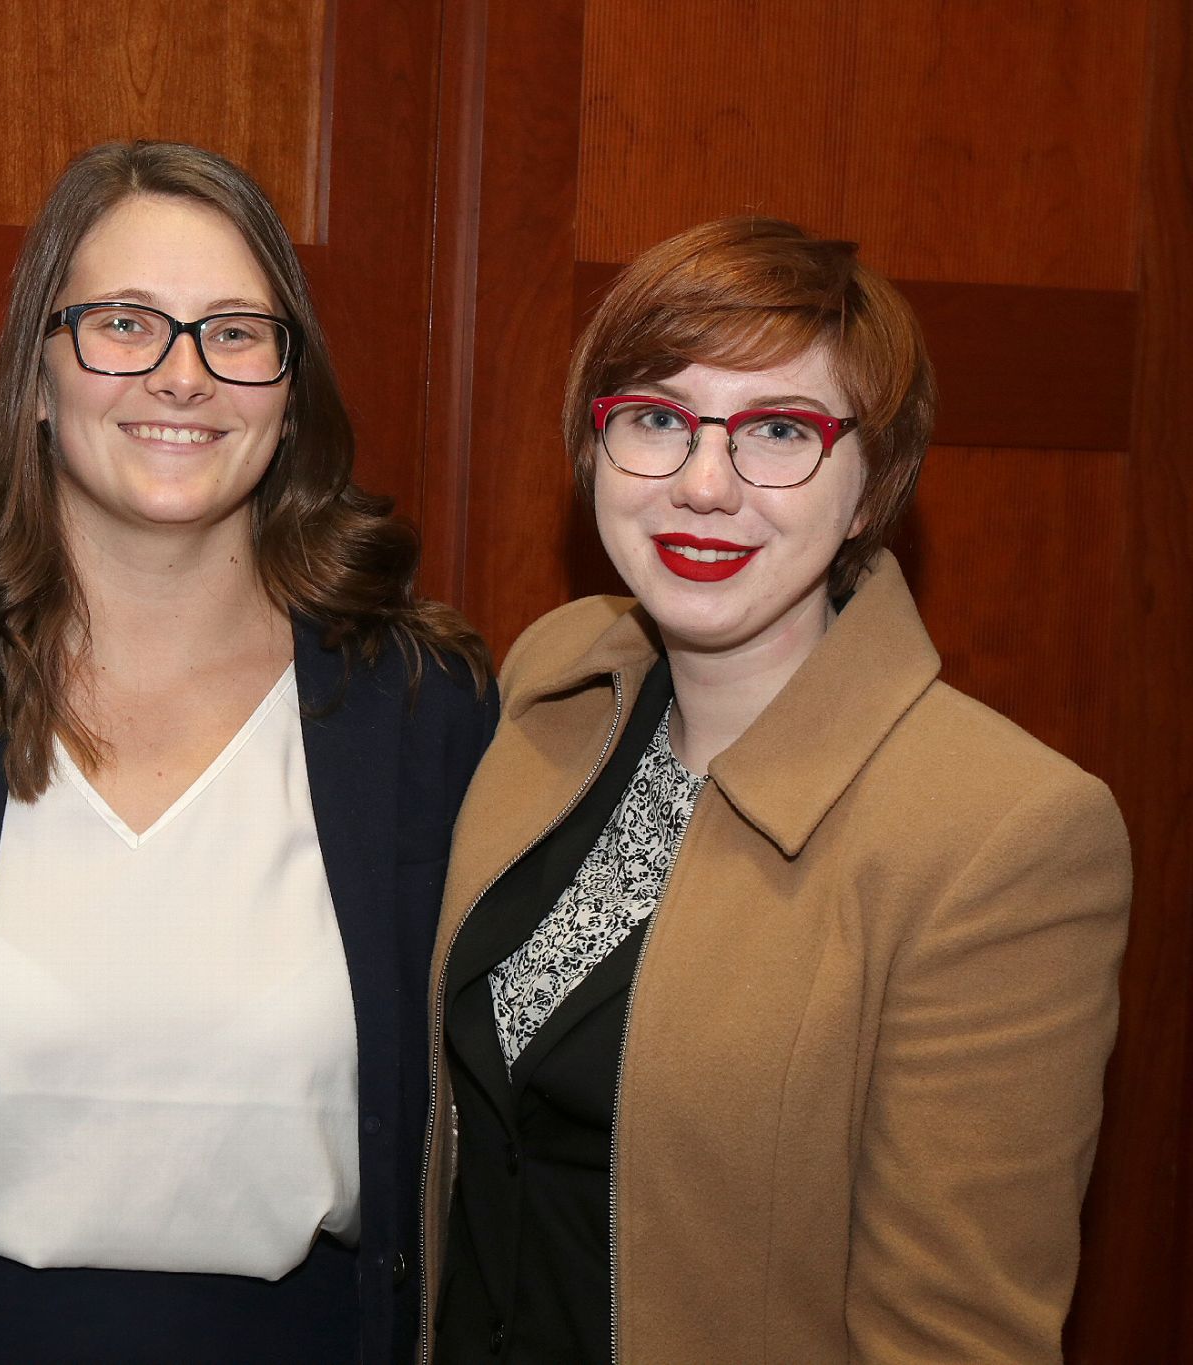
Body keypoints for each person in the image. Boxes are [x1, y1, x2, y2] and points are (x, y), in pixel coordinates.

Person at [420, 217, 1131, 1363]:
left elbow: (953, 1340)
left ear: (868, 487)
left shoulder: (1003, 834)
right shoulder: (559, 677)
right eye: (655, 419)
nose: (704, 485)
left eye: (779, 431)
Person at [0, 141, 497, 1364]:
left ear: (287, 388)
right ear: (37, 379)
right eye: (123, 323)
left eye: (234, 332)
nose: (181, 374)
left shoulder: (422, 715)